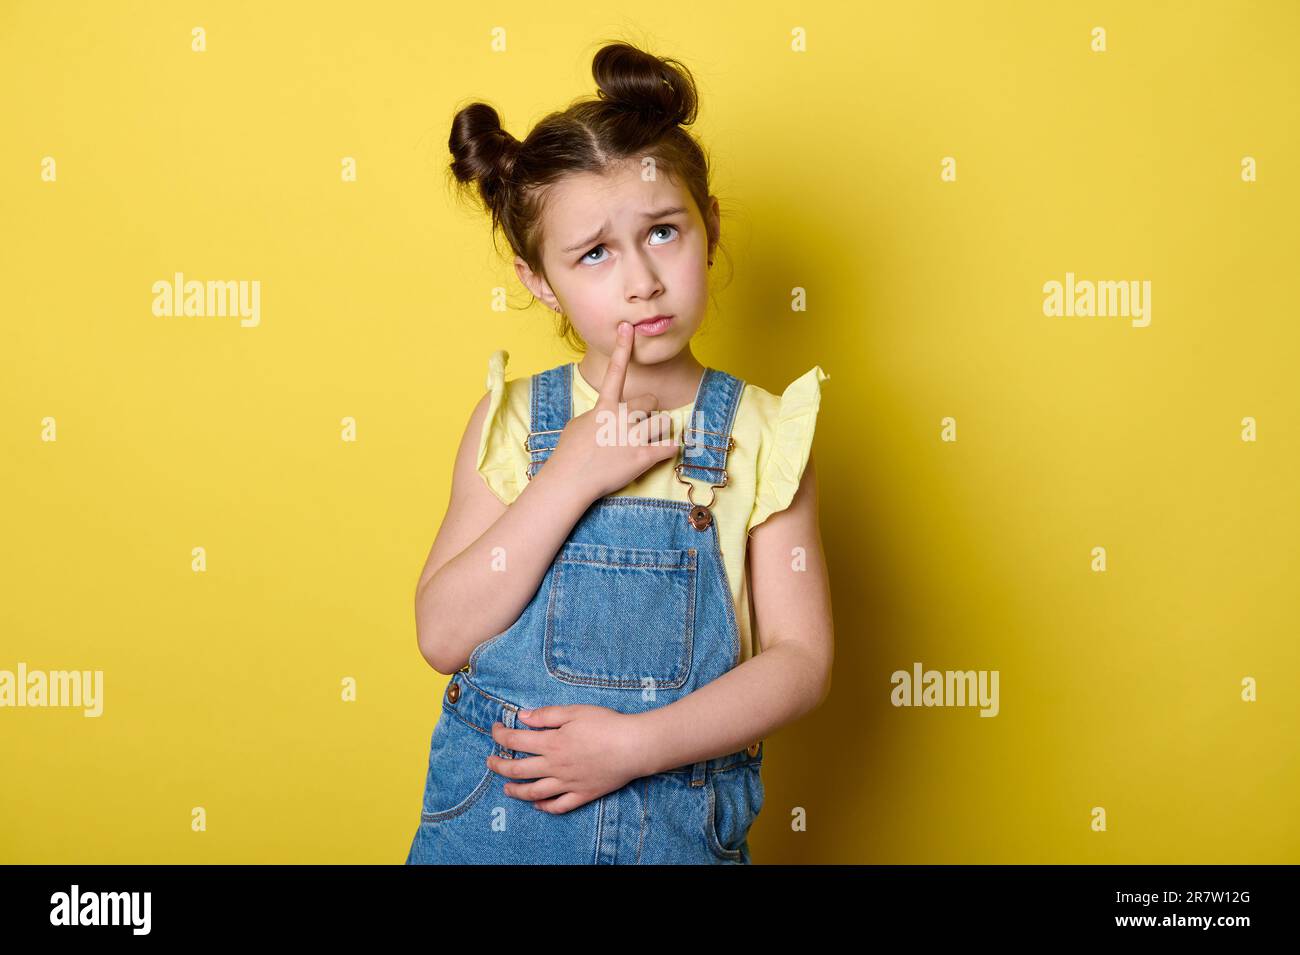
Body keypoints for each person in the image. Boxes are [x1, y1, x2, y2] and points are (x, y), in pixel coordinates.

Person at [405, 40, 833, 864]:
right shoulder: (518, 423)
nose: (640, 280)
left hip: (673, 832)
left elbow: (802, 659)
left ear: (708, 227)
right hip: (492, 834)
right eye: (594, 253)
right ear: (538, 280)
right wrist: (568, 474)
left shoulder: (767, 433)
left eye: (663, 232)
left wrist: (635, 746)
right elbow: (441, 634)